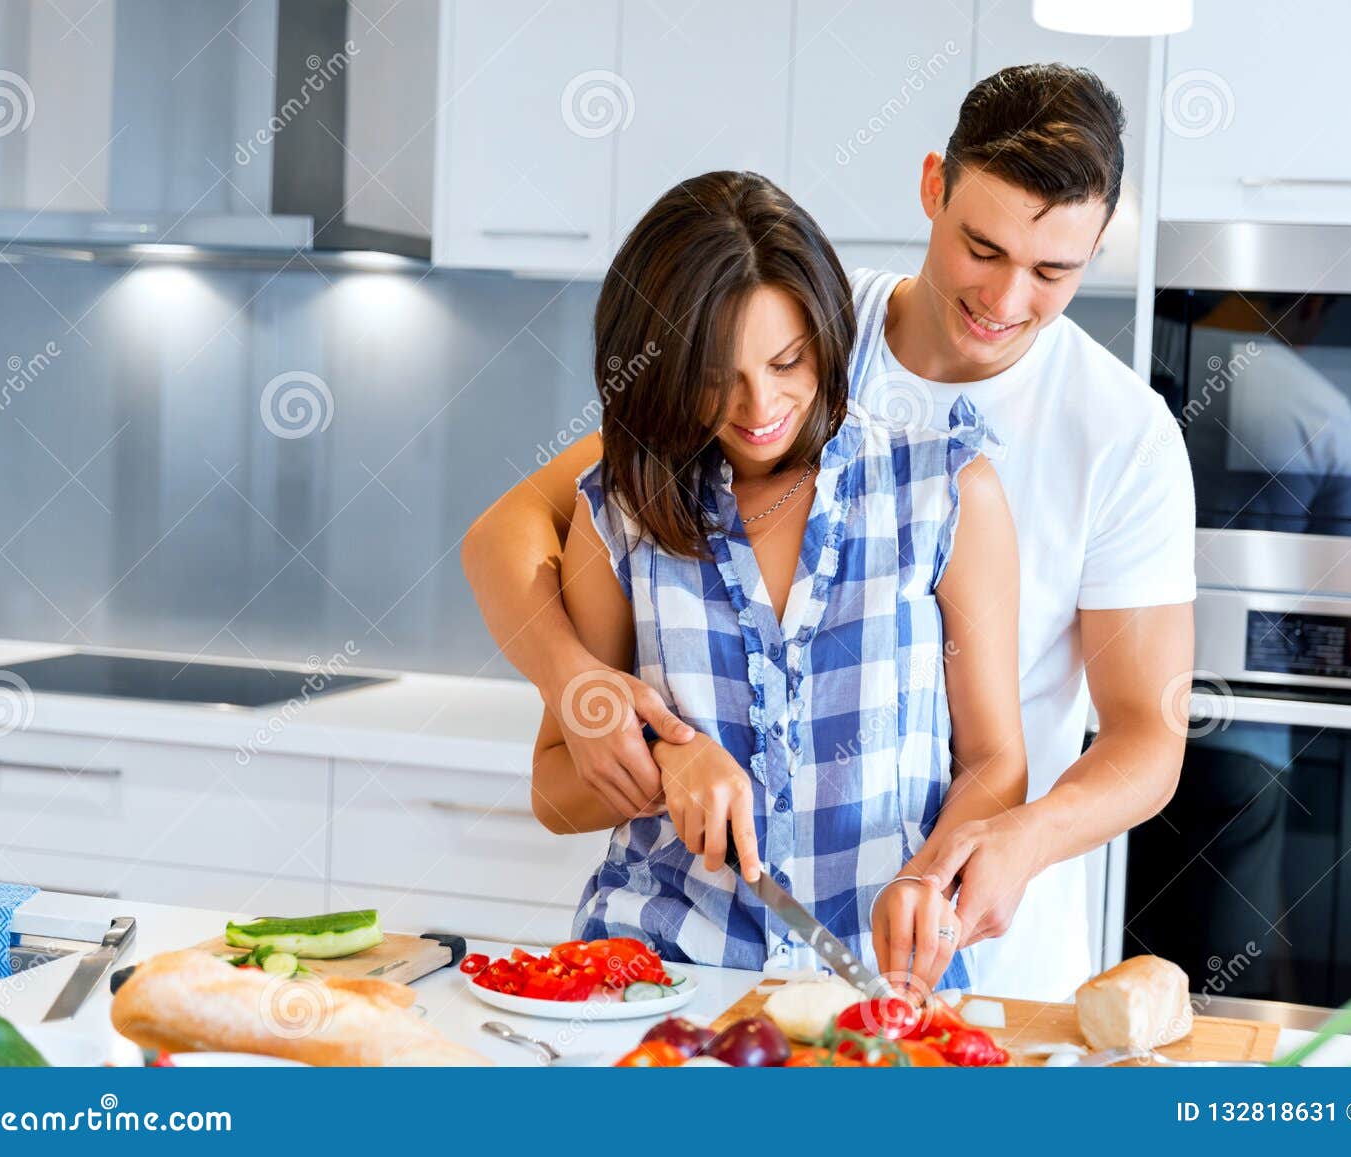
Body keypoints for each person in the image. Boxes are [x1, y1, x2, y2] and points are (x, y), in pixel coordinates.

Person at [465, 65, 1195, 1000]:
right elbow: (524, 524)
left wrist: (1013, 838)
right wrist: (588, 695)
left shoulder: (1112, 436)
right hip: (674, 973)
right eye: (983, 247)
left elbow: (1143, 736)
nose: (1008, 298)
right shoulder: (789, 312)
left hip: (963, 936)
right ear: (933, 187)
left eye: (1055, 271)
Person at [530, 170, 1026, 990]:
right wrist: (665, 768)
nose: (760, 406)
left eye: (788, 360)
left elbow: (996, 762)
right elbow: (553, 788)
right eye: (715, 376)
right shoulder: (621, 511)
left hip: (879, 993)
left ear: (826, 335)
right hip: (655, 985)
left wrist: (929, 877)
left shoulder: (941, 491)